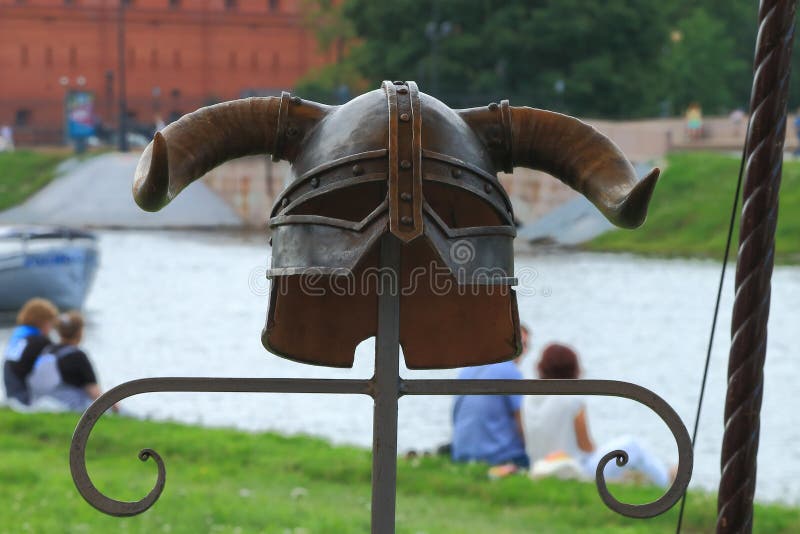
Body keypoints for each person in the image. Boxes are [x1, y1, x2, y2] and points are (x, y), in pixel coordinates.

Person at [523, 343, 671, 487]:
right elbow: (586, 446)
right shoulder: (572, 399)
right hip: (572, 469)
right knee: (633, 446)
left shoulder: (528, 398)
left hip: (540, 466)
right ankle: (666, 481)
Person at [451, 325, 530, 468]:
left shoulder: (468, 369)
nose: (522, 351)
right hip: (497, 458)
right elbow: (522, 423)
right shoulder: (510, 371)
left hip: (461, 454)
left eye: (525, 345)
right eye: (518, 343)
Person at [27, 311, 115, 412]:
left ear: (59, 331)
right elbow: (93, 391)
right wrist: (114, 406)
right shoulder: (78, 356)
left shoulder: (47, 351)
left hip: (39, 403)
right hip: (69, 407)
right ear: (80, 332)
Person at [3, 298, 58, 406]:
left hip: (11, 391)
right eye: (50, 323)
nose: (51, 327)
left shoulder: (18, 336)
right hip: (26, 396)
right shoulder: (39, 341)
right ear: (43, 321)